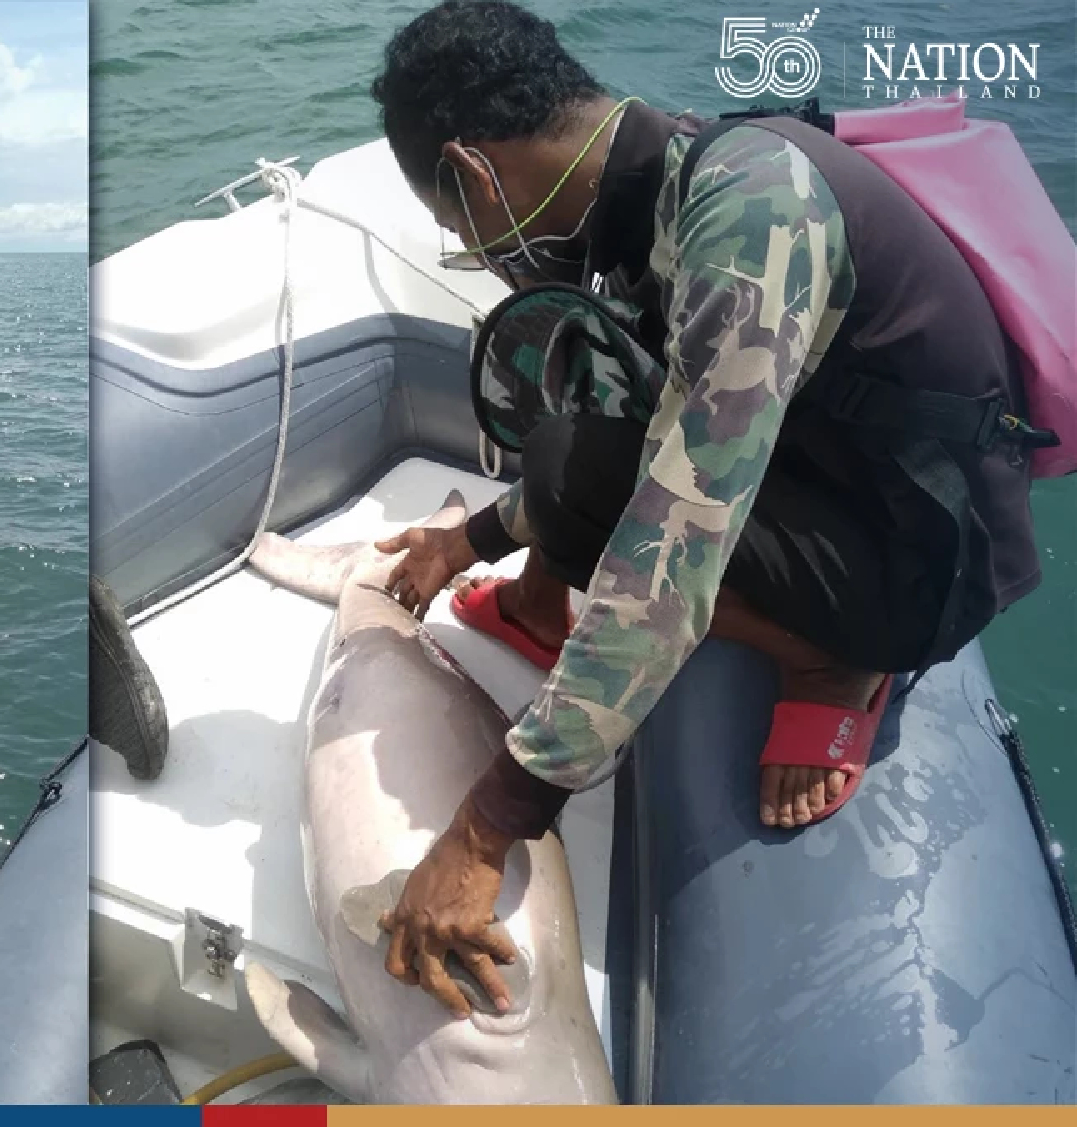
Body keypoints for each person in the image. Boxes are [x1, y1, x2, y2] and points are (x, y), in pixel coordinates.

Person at [365, 0, 1043, 1020]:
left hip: (922, 560)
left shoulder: (746, 212)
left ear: (470, 171)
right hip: (834, 472)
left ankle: (831, 659)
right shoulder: (666, 173)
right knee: (568, 448)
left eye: (455, 223)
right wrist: (469, 538)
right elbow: (641, 422)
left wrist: (483, 829)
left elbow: (671, 546)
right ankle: (565, 607)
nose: (471, 245)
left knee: (597, 486)